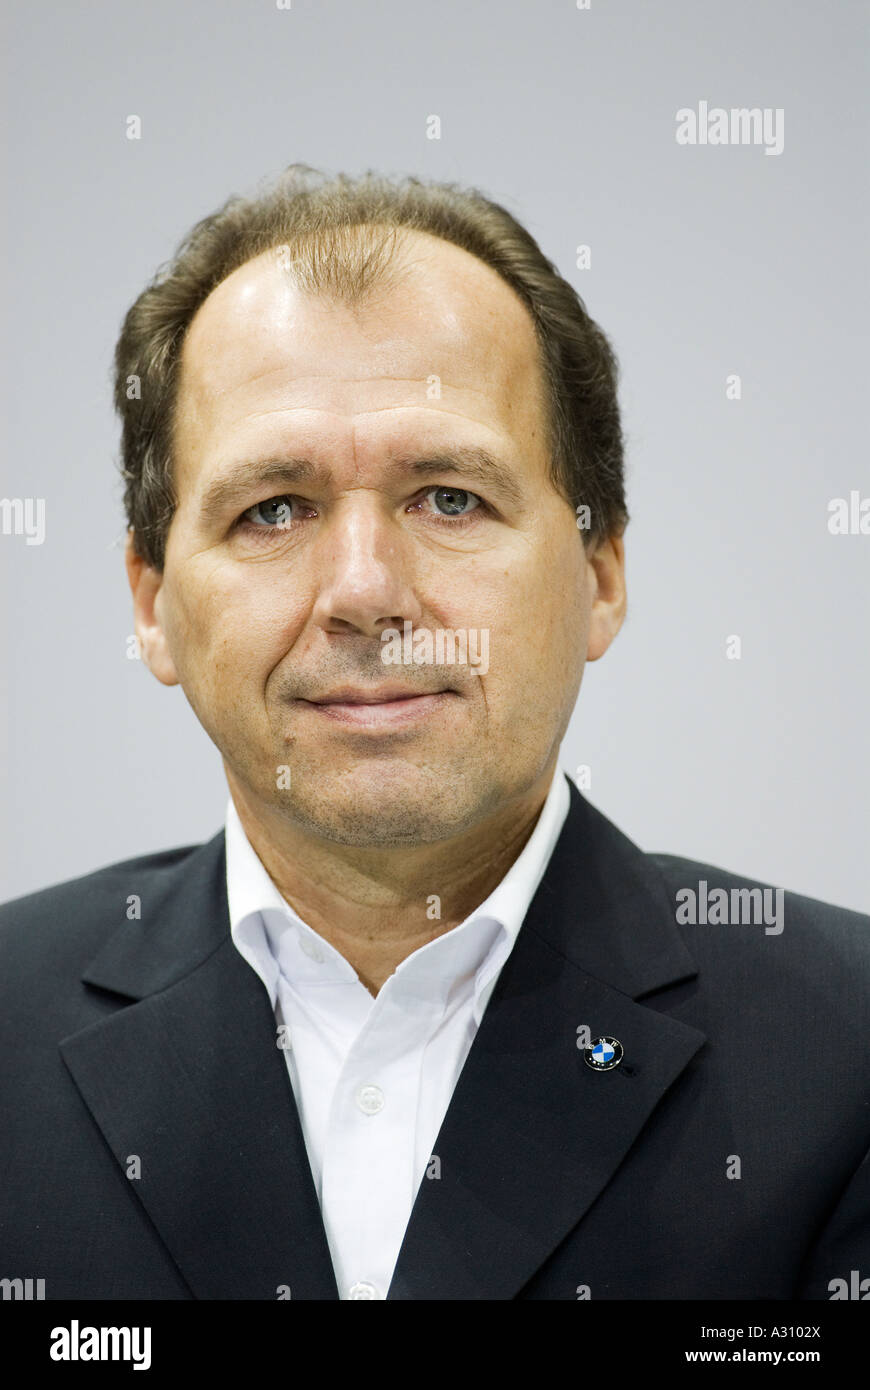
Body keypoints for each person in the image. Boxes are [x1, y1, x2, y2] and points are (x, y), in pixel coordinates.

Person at [1, 166, 868, 1301]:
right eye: (274, 508)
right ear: (151, 602)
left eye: (449, 496)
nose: (366, 591)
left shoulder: (846, 1056)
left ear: (601, 572)